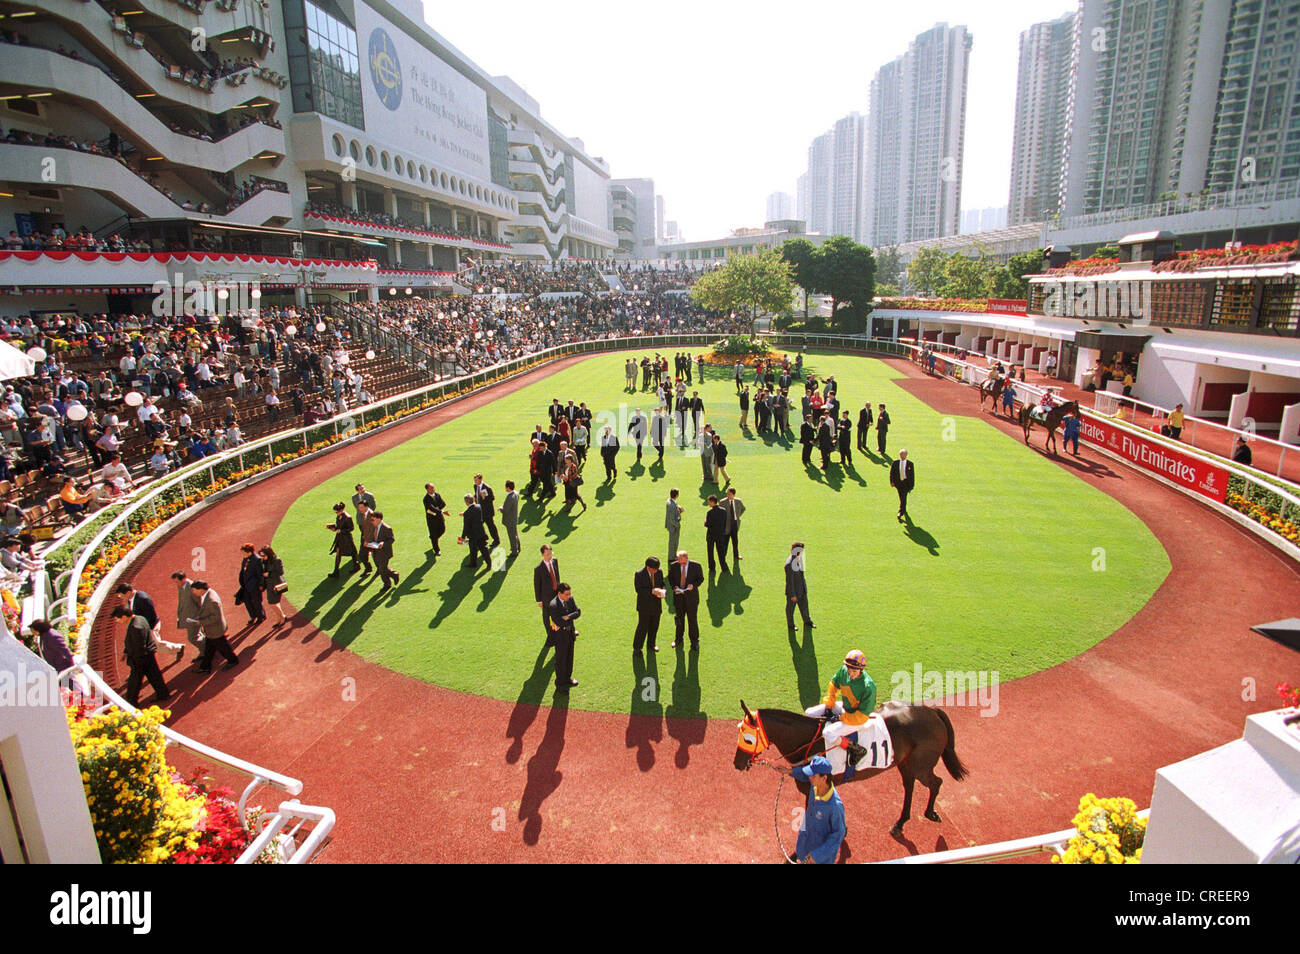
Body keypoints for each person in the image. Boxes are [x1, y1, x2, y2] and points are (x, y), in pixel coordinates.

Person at [805, 649, 877, 767]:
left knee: (828, 733)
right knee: (809, 713)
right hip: (845, 708)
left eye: (855, 671)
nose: (851, 673)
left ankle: (856, 749)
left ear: (861, 669)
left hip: (858, 719)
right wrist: (829, 705)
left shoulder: (868, 686)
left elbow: (862, 716)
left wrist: (840, 718)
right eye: (849, 669)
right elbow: (833, 685)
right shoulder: (844, 671)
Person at [790, 755, 846, 864]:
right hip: (804, 849)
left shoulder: (835, 807)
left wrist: (817, 855)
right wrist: (790, 771)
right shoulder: (815, 787)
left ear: (824, 778)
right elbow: (804, 774)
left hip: (819, 860)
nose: (809, 778)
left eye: (813, 776)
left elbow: (838, 834)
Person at [113, 606, 170, 706]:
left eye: (118, 618)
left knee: (134, 681)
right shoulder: (140, 618)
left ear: (124, 617)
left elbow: (138, 646)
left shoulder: (135, 627)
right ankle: (163, 694)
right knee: (154, 675)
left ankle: (131, 703)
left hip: (140, 658)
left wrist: (134, 660)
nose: (117, 621)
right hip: (148, 654)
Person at [114, 583, 184, 659]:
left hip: (150, 626)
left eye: (121, 595)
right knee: (155, 646)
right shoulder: (130, 599)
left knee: (157, 646)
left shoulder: (143, 599)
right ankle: (178, 648)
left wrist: (145, 631)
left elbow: (150, 616)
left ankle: (179, 648)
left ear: (127, 593)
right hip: (144, 625)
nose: (121, 597)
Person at [192, 580, 239, 672]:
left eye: (194, 590)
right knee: (209, 648)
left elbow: (215, 617)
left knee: (223, 648)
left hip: (215, 630)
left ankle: (233, 661)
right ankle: (205, 667)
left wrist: (201, 622)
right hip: (213, 630)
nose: (193, 592)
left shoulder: (211, 600)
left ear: (201, 589)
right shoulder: (208, 593)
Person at [667, 549, 703, 650]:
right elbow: (670, 578)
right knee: (679, 619)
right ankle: (678, 639)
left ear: (687, 558)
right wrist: (674, 587)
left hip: (691, 598)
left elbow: (701, 579)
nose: (682, 565)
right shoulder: (674, 566)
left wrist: (693, 585)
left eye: (684, 563)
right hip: (678, 598)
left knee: (692, 620)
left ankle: (694, 641)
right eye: (680, 562)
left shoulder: (696, 566)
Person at [547, 582, 580, 691]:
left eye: (569, 594)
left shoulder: (570, 599)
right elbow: (559, 622)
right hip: (560, 637)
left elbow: (578, 612)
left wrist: (568, 617)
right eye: (566, 594)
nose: (568, 596)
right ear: (559, 593)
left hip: (570, 633)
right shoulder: (553, 605)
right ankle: (560, 684)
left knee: (569, 657)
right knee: (561, 660)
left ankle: (567, 678)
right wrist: (568, 620)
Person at [633, 556, 665, 653]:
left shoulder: (659, 572)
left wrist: (663, 590)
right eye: (653, 569)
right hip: (644, 606)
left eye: (656, 569)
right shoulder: (639, 574)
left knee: (654, 626)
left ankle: (651, 644)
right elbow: (639, 590)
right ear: (648, 567)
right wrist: (652, 591)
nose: (655, 571)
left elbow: (662, 583)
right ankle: (637, 647)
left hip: (656, 605)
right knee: (642, 627)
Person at [533, 544, 561, 647]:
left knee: (558, 614)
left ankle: (559, 634)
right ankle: (550, 637)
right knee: (546, 617)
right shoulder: (538, 569)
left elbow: (557, 576)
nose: (550, 556)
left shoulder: (555, 561)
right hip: (546, 598)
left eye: (550, 553)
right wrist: (538, 600)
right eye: (547, 554)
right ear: (542, 554)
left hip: (556, 594)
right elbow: (537, 585)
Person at [172, 571, 203, 655]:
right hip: (188, 616)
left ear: (183, 579)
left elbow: (199, 602)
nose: (176, 584)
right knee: (199, 634)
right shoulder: (181, 586)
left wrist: (200, 616)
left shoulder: (192, 587)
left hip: (194, 617)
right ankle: (204, 650)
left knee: (192, 638)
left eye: (177, 582)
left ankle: (207, 650)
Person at [784, 542, 814, 630]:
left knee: (805, 607)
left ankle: (807, 621)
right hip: (794, 592)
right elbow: (789, 581)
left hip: (802, 589)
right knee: (790, 609)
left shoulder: (798, 559)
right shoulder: (789, 564)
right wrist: (792, 595)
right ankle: (791, 624)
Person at [458, 494, 492, 569]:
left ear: (466, 502)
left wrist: (463, 537)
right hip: (481, 532)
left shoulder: (467, 513)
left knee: (473, 550)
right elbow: (474, 514)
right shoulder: (478, 506)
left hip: (473, 535)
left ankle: (473, 563)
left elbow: (466, 526)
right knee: (484, 549)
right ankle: (489, 563)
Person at [368, 511, 399, 591]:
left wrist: (383, 543)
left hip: (384, 553)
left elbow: (391, 539)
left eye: (373, 519)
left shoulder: (386, 528)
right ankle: (394, 574)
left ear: (379, 519)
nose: (371, 521)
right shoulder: (373, 526)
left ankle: (387, 584)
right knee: (382, 567)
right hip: (375, 551)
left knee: (381, 570)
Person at [236, 543, 265, 626]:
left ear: (249, 552)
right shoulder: (245, 559)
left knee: (257, 601)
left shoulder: (257, 560)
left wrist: (260, 585)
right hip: (246, 585)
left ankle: (261, 616)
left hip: (254, 585)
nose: (242, 554)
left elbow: (260, 574)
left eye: (243, 552)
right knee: (247, 601)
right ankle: (253, 616)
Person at [328, 502, 359, 577]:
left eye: (337, 512)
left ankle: (356, 565)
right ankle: (336, 571)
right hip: (341, 538)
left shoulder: (347, 517)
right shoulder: (340, 516)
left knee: (352, 552)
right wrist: (333, 527)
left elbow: (351, 528)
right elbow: (339, 526)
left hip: (346, 538)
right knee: (339, 554)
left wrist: (341, 531)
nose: (336, 513)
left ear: (342, 510)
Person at [259, 545, 287, 624]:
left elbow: (280, 572)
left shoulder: (277, 560)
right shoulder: (265, 562)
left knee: (272, 603)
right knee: (274, 602)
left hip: (277, 583)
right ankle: (280, 618)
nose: (262, 557)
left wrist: (269, 574)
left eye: (263, 555)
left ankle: (282, 616)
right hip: (269, 584)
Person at [473, 474, 501, 550]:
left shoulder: (487, 488)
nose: (475, 482)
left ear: (480, 479)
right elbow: (476, 494)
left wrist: (484, 497)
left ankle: (496, 540)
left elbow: (492, 498)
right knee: (478, 526)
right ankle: (483, 540)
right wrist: (475, 497)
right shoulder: (475, 486)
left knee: (491, 526)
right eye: (474, 480)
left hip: (487, 512)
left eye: (476, 480)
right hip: (479, 511)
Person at [704, 494, 729, 574]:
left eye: (709, 502)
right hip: (720, 534)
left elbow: (707, 524)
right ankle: (724, 566)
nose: (708, 503)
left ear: (712, 502)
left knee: (710, 552)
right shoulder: (723, 511)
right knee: (721, 552)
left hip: (711, 535)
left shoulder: (710, 513)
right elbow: (725, 522)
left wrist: (705, 520)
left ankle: (712, 567)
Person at [889, 449, 915, 522]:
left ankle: (901, 512)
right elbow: (891, 473)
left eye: (904, 455)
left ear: (906, 455)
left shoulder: (910, 464)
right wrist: (891, 482)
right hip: (898, 483)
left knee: (903, 496)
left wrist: (912, 485)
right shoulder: (895, 463)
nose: (902, 456)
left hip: (906, 483)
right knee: (901, 496)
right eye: (901, 455)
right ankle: (903, 509)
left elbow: (912, 475)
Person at [720, 486, 745, 563]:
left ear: (733, 494)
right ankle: (723, 556)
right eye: (727, 494)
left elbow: (743, 508)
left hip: (734, 524)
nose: (728, 495)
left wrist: (737, 516)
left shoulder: (738, 501)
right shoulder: (722, 502)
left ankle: (736, 555)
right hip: (726, 525)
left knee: (735, 541)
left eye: (729, 494)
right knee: (725, 542)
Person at [423, 483, 448, 556]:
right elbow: (430, 509)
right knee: (433, 534)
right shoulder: (426, 499)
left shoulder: (437, 495)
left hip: (439, 517)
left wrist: (438, 510)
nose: (433, 489)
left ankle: (433, 539)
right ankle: (437, 550)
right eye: (431, 488)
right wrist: (440, 511)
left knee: (442, 530)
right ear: (427, 489)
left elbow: (443, 504)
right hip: (431, 520)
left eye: (433, 487)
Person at [500, 480, 521, 556]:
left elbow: (505, 510)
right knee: (515, 534)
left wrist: (501, 508)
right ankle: (518, 547)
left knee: (512, 536)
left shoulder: (510, 497)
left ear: (508, 488)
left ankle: (514, 551)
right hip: (514, 518)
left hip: (509, 519)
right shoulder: (516, 493)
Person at [356, 500, 376, 574]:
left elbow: (373, 529)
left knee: (376, 556)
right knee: (362, 555)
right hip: (365, 538)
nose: (359, 509)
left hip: (371, 539)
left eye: (361, 507)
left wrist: (367, 540)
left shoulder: (371, 515)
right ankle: (368, 568)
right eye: (359, 507)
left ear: (366, 507)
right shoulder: (365, 514)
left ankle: (380, 570)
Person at [665, 488, 683, 565]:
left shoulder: (670, 502)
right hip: (673, 527)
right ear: (677, 495)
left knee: (673, 542)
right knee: (673, 542)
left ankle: (673, 556)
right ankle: (672, 558)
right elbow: (672, 519)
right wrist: (677, 525)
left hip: (672, 526)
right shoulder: (672, 505)